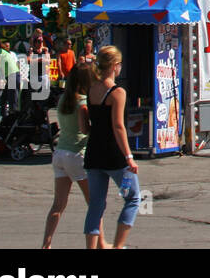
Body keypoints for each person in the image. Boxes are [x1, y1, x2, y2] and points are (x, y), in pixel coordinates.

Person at [82, 46, 140, 248]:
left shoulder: (92, 89)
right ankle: (118, 245)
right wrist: (129, 156)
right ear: (115, 66)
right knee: (133, 198)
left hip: (93, 153)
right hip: (114, 155)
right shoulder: (117, 92)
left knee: (96, 205)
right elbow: (118, 126)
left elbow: (89, 124)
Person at [43, 62, 98, 248]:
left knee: (58, 205)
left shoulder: (63, 100)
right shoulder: (83, 103)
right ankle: (100, 244)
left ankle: (46, 244)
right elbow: (84, 130)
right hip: (76, 155)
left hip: (59, 154)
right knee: (94, 204)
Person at [0, 39, 20, 119]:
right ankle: (4, 117)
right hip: (12, 75)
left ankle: (13, 119)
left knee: (12, 99)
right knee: (4, 97)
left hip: (12, 75)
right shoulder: (3, 51)